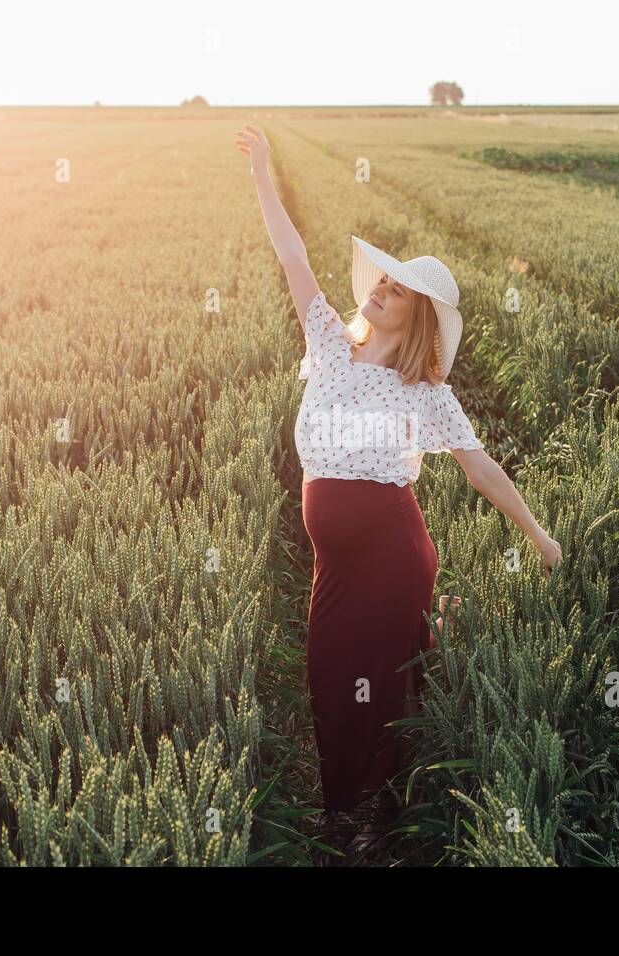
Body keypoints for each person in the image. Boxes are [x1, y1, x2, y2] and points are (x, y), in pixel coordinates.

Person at [236, 125, 563, 856]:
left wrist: (539, 538)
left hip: (391, 555)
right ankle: (339, 806)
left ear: (419, 317)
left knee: (380, 686)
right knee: (328, 678)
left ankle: (378, 820)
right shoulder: (328, 341)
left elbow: (481, 469)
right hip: (336, 563)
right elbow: (291, 257)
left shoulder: (425, 392)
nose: (382, 290)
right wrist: (263, 172)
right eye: (382, 281)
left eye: (398, 290)